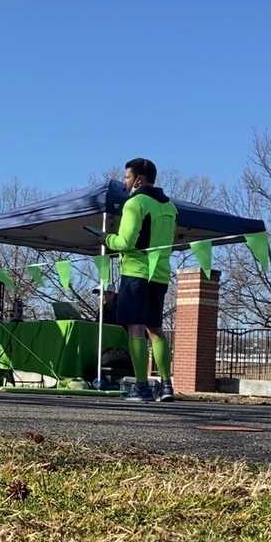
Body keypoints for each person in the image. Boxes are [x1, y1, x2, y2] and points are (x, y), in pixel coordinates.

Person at [105, 158, 177, 402]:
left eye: (127, 177)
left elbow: (126, 242)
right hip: (160, 274)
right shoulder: (170, 207)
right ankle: (167, 385)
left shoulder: (135, 203)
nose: (125, 182)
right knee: (155, 329)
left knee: (135, 327)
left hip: (136, 272)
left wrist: (108, 240)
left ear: (138, 179)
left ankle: (142, 387)